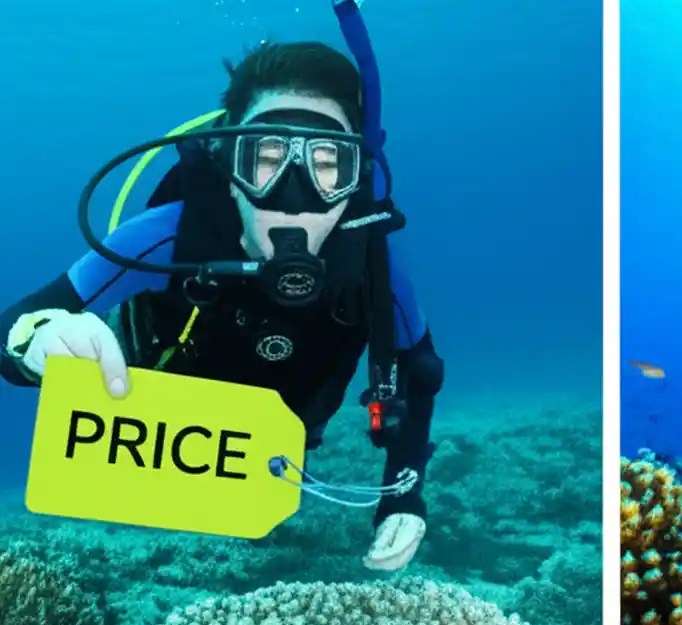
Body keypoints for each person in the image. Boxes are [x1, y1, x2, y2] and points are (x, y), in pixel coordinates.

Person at [0, 41, 442, 570]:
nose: (293, 197)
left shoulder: (373, 265)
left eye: (328, 164)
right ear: (230, 166)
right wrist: (35, 342)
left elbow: (420, 375)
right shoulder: (171, 233)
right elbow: (17, 326)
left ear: (354, 184)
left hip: (281, 446)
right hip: (156, 437)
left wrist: (402, 498)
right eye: (267, 160)